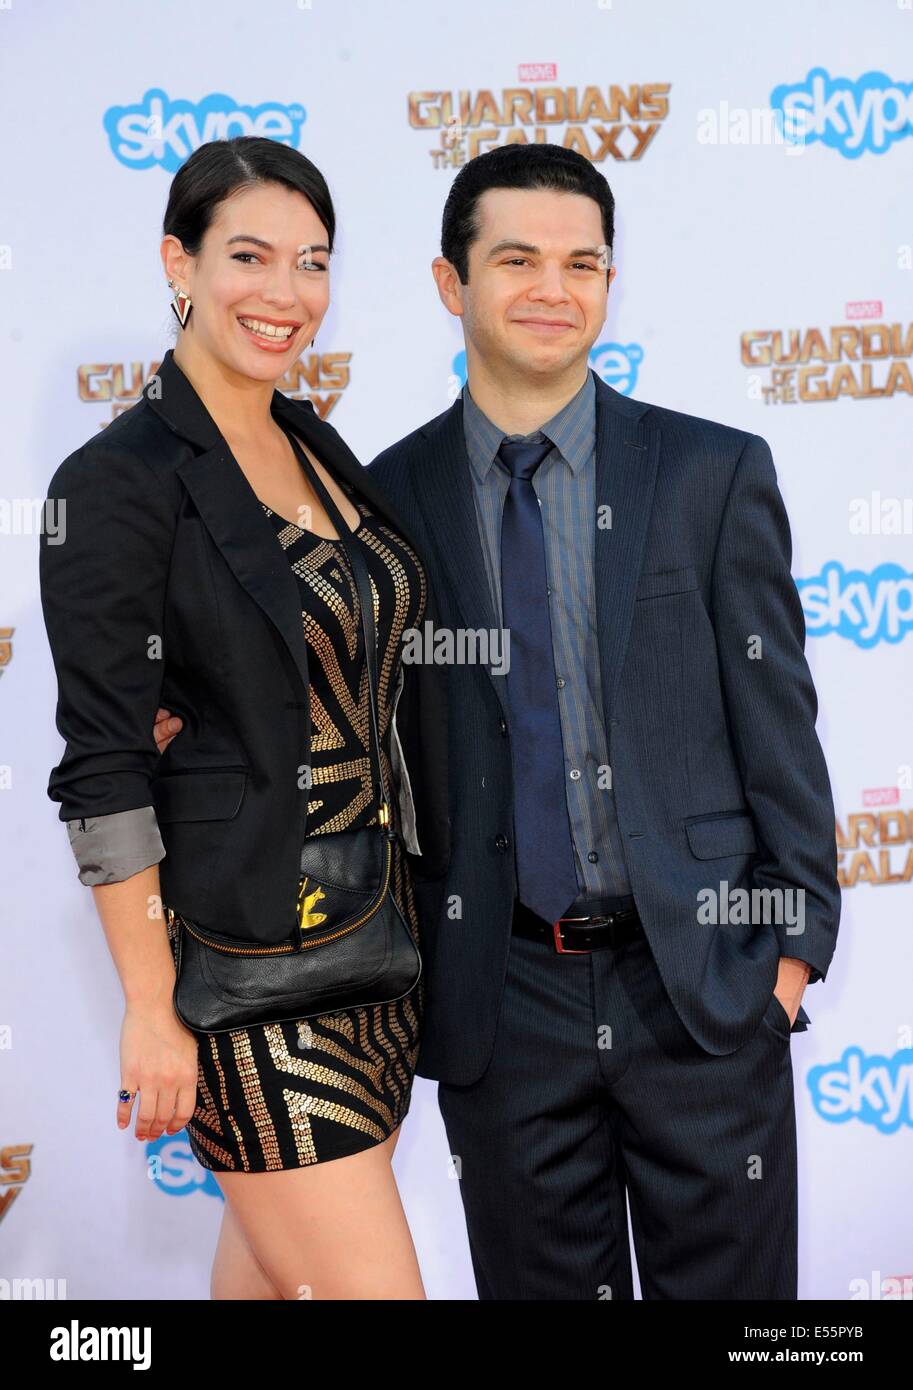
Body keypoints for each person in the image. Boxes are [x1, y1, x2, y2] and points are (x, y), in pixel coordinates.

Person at [155, 141, 841, 1300]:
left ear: (610, 285)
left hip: (701, 989)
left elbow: (779, 725)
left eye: (583, 262)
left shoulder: (709, 473)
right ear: (447, 281)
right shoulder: (379, 500)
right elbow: (336, 703)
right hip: (500, 998)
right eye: (516, 257)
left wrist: (789, 955)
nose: (552, 288)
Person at [39, 136, 448, 1301]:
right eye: (249, 256)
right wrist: (150, 1011)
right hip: (246, 971)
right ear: (179, 259)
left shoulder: (312, 440)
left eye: (312, 262)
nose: (286, 294)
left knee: (269, 1286)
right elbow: (105, 768)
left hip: (375, 942)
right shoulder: (114, 480)